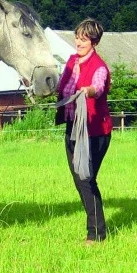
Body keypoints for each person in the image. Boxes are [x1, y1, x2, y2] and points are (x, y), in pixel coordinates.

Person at [56, 18, 113, 245]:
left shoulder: (99, 66)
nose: (78, 42)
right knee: (82, 179)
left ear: (94, 41)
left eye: (84, 38)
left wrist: (87, 90)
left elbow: (98, 87)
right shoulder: (71, 62)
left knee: (86, 179)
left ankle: (96, 234)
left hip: (94, 131)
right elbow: (61, 87)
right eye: (77, 37)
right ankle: (97, 230)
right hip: (73, 128)